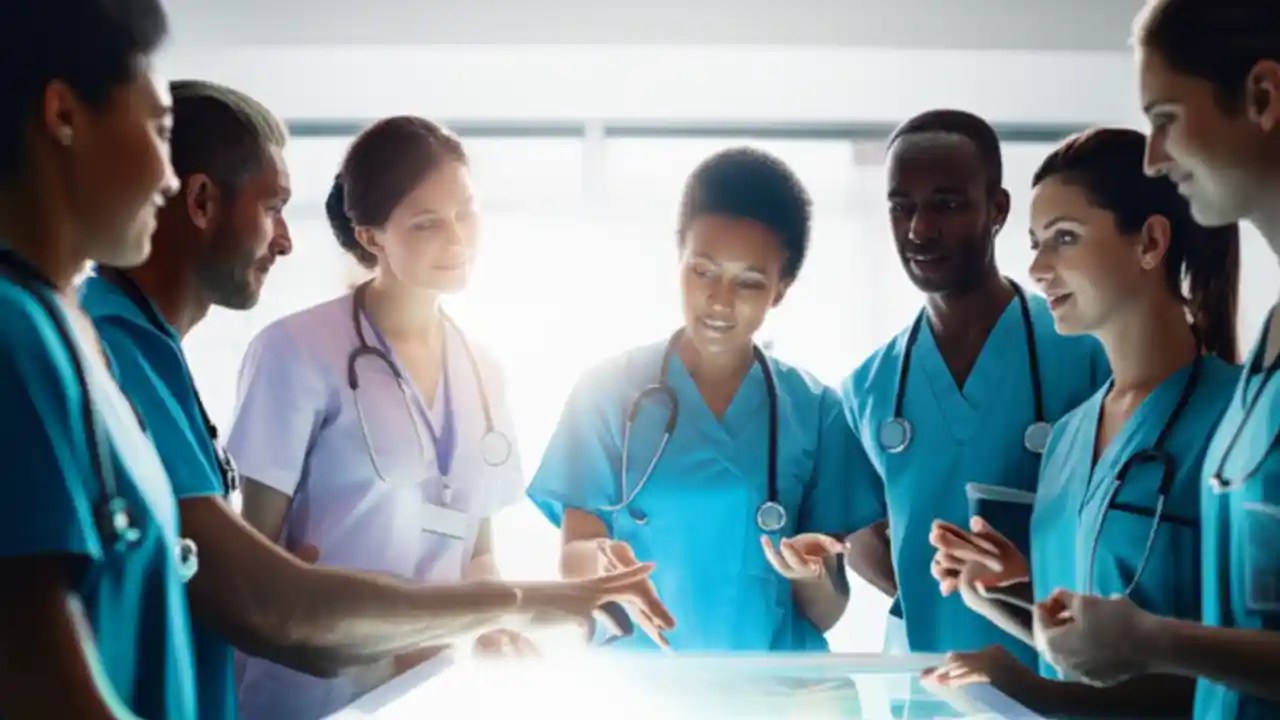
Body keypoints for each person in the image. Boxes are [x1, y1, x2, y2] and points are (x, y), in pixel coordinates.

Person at [215, 115, 658, 720]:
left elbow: (476, 553)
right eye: (427, 223)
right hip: (313, 695)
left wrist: (494, 632)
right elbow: (253, 562)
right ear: (371, 236)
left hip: (433, 691)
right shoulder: (295, 351)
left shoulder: (484, 369)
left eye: (466, 213)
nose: (457, 239)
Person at [921, 127, 1241, 717]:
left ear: (1149, 242)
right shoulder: (1070, 435)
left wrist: (1034, 692)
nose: (1037, 268)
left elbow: (1246, 668)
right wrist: (1008, 594)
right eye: (1035, 242)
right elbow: (1091, 652)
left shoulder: (1238, 421)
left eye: (1064, 238)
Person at [1027, 2, 1280, 718]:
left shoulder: (1224, 398)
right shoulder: (1266, 353)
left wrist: (1154, 642)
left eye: (1165, 115)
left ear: (1262, 97)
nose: (1154, 157)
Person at [527, 147, 885, 652]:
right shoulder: (606, 393)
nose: (720, 299)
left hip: (772, 695)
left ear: (780, 290)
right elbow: (573, 563)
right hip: (639, 693)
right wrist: (602, 558)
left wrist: (811, 573)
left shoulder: (816, 413)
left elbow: (825, 613)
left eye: (749, 281)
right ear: (679, 258)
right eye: (703, 271)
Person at [837, 110, 1111, 667]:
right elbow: (855, 529)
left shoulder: (1085, 356)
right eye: (901, 207)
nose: (919, 229)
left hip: (1058, 681)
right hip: (926, 684)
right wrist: (929, 594)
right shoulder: (869, 387)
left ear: (998, 210)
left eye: (947, 203)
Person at [0, 1, 197, 717]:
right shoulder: (12, 335)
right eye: (160, 129)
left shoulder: (62, 326)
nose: (172, 178)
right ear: (63, 116)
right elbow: (41, 690)